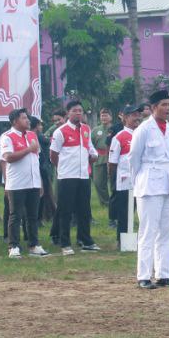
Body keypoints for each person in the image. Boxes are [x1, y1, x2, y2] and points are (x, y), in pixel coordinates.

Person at [128, 89, 169, 289]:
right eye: (163, 105)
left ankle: (164, 274)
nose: (168, 108)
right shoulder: (143, 129)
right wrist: (138, 181)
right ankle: (143, 275)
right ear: (153, 108)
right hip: (149, 181)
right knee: (148, 231)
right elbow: (134, 158)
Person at [50, 99, 100, 254]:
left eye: (80, 111)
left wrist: (94, 155)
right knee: (65, 210)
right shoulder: (60, 131)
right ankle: (65, 242)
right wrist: (61, 168)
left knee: (84, 210)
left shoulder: (86, 129)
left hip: (83, 175)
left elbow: (89, 147)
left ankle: (85, 240)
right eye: (75, 111)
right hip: (67, 176)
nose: (78, 113)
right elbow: (53, 154)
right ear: (68, 113)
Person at [0, 108, 47, 258]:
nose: (27, 120)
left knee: (33, 216)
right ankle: (13, 246)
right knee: (15, 215)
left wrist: (40, 182)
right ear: (15, 121)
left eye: (27, 118)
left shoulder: (32, 135)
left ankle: (34, 245)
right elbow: (8, 157)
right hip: (17, 183)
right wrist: (28, 149)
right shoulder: (7, 136)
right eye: (24, 118)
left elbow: (36, 160)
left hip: (33, 182)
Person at [107, 105, 141, 243]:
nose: (137, 118)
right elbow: (112, 162)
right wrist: (114, 180)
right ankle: (122, 241)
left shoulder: (141, 135)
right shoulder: (119, 137)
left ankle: (133, 239)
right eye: (134, 115)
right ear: (125, 118)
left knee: (135, 210)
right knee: (124, 211)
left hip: (140, 180)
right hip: (125, 180)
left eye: (138, 115)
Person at [92, 107, 113, 213]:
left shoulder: (115, 129)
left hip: (112, 157)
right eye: (102, 115)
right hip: (99, 158)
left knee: (114, 183)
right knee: (98, 182)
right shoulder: (95, 130)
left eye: (106, 115)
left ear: (111, 117)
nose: (104, 117)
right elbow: (90, 144)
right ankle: (105, 202)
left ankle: (114, 203)